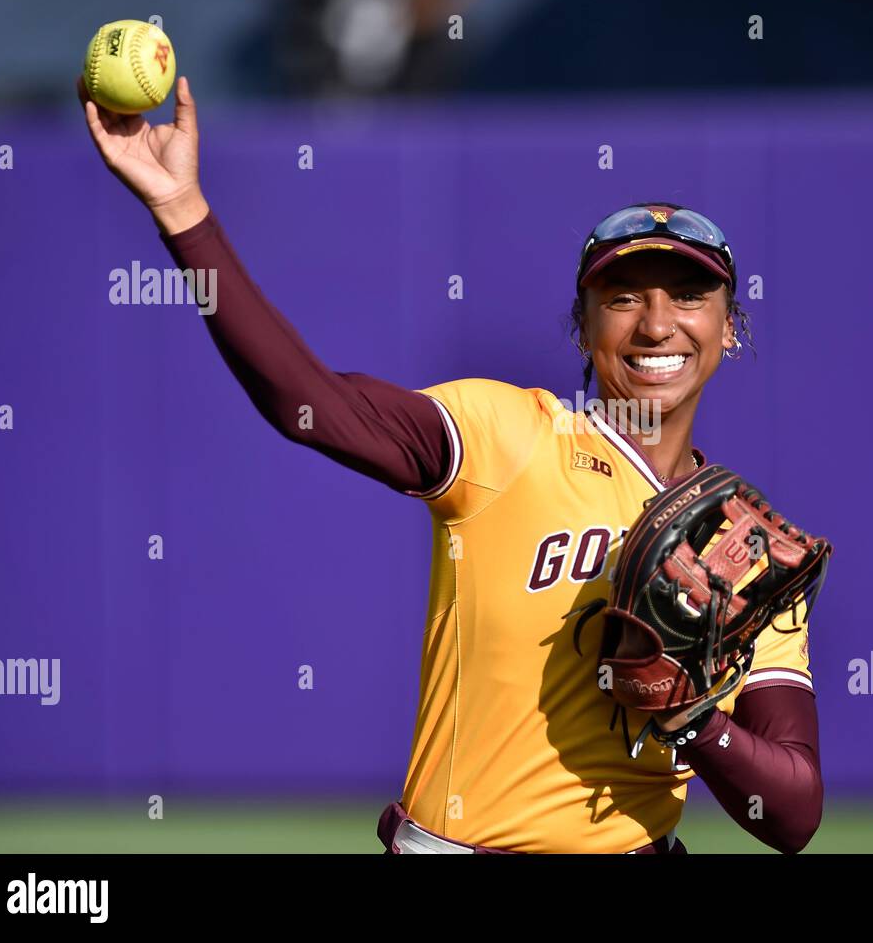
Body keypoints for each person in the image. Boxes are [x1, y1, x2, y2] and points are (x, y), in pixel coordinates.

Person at [78, 74, 825, 854]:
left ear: (730, 328)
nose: (658, 323)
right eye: (624, 297)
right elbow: (308, 405)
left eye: (690, 296)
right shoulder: (511, 434)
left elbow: (794, 814)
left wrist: (692, 718)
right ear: (583, 328)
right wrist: (182, 214)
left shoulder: (746, 548)